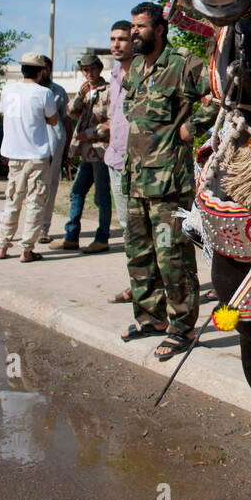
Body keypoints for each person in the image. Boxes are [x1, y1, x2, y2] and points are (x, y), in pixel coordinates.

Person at [121, 1, 214, 360]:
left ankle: (182, 328)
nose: (134, 33)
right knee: (138, 255)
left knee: (172, 258)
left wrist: (193, 127)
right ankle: (151, 317)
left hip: (168, 184)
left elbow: (218, 93)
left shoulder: (182, 63)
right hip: (136, 181)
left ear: (159, 28)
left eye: (141, 26)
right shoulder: (135, 71)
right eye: (132, 27)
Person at [0, 52, 58, 263]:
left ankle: (2, 246)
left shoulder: (8, 89)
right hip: (37, 156)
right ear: (41, 71)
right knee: (35, 203)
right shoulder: (43, 93)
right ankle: (26, 250)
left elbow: (5, 115)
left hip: (14, 154)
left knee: (12, 201)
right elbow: (53, 119)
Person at [49, 51, 111, 254]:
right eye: (85, 69)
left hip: (100, 151)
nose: (89, 73)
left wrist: (90, 134)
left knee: (102, 197)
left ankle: (102, 238)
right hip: (85, 153)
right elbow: (70, 113)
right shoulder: (85, 91)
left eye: (92, 68)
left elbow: (114, 122)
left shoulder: (109, 90)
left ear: (99, 69)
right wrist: (79, 96)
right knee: (77, 192)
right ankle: (71, 236)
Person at [101, 20, 135, 304]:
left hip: (143, 163)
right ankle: (137, 284)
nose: (116, 44)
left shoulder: (145, 71)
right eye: (113, 39)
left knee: (150, 229)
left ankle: (157, 286)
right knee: (127, 227)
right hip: (115, 160)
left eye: (122, 39)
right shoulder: (113, 73)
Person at [36, 56, 72, 243]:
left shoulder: (58, 92)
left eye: (45, 68)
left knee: (49, 185)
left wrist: (68, 149)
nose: (42, 72)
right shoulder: (26, 90)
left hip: (54, 145)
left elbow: (66, 120)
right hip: (31, 147)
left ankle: (43, 228)